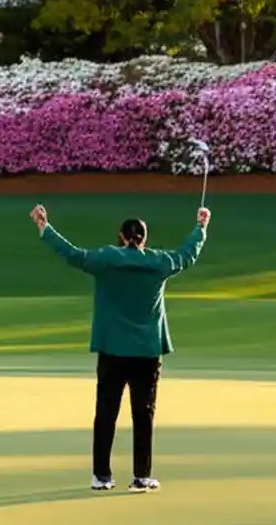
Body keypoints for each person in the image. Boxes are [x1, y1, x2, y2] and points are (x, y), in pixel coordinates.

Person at [30, 204, 210, 493]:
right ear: (143, 239)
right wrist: (200, 227)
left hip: (112, 350)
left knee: (105, 413)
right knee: (143, 414)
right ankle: (141, 476)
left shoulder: (106, 259)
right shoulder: (158, 263)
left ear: (122, 236)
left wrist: (45, 227)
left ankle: (101, 476)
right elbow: (186, 256)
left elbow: (73, 254)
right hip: (147, 353)